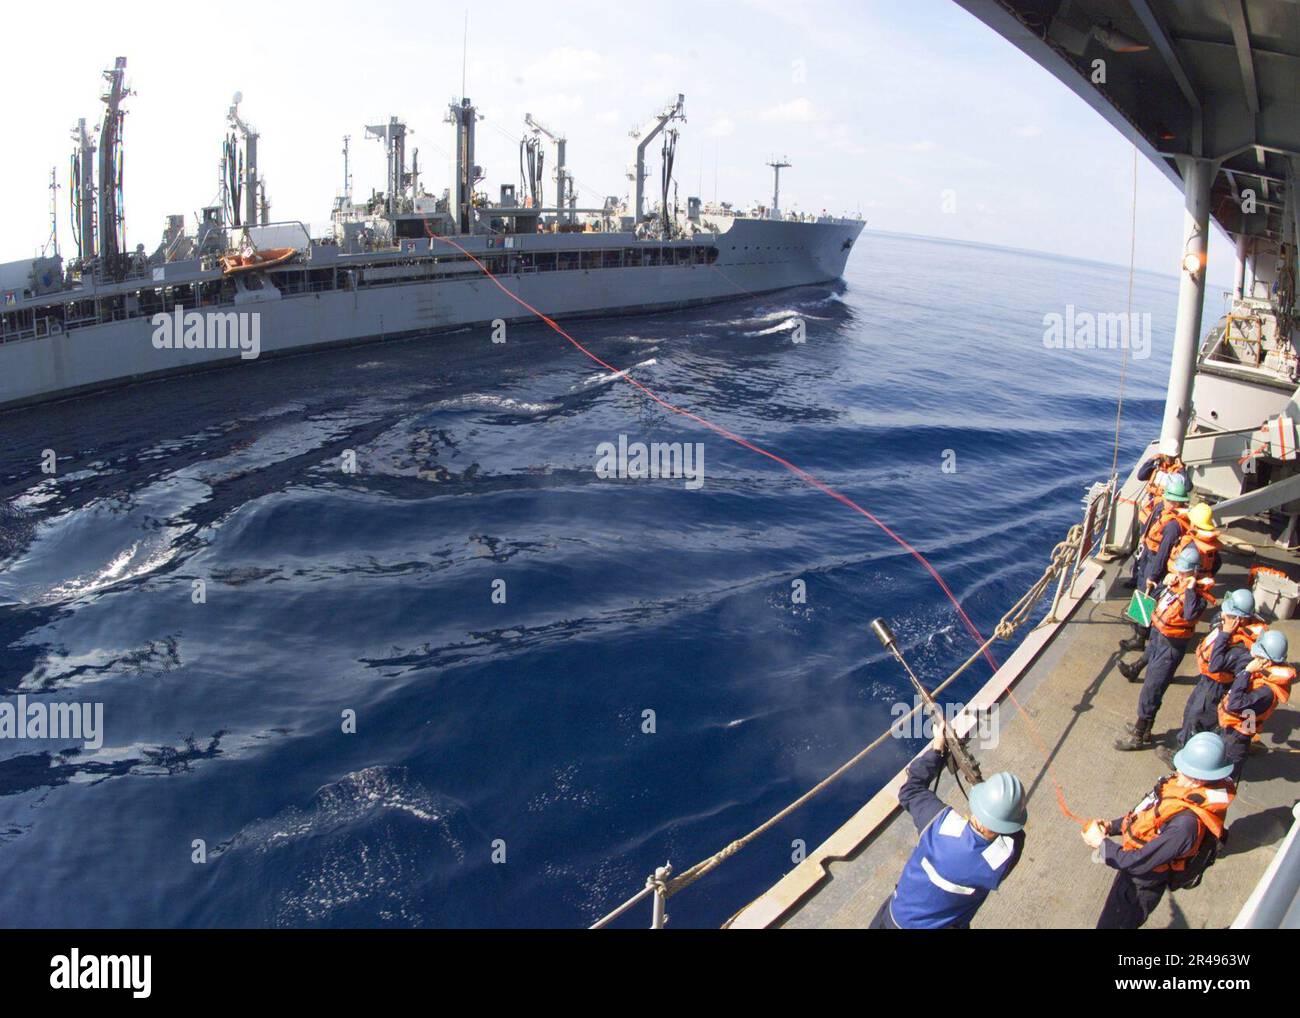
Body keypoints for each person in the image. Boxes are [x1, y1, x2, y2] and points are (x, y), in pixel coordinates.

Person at [869, 728, 1027, 929]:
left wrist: (936, 750)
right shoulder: (1000, 862)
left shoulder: (939, 824)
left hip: (894, 919)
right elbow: (1016, 835)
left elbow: (911, 790)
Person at [1082, 732, 1236, 929]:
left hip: (1141, 885)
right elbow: (1150, 814)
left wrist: (1101, 844)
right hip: (1137, 872)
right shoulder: (1189, 790)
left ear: (1198, 780)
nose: (1177, 772)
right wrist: (1112, 826)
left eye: (1184, 769)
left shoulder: (1185, 827)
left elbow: (1137, 862)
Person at [1116, 546, 1208, 750]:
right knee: (1151, 686)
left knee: (1152, 689)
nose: (1179, 574)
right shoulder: (1175, 585)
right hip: (1159, 638)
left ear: (1193, 572)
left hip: (1171, 646)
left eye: (1183, 572)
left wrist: (1191, 588)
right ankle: (1146, 729)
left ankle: (1139, 735)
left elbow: (1191, 614)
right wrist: (1160, 584)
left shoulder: (1197, 596)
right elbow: (1157, 600)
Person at [1163, 589, 1263, 762]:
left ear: (1239, 619)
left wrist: (1225, 633)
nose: (1224, 615)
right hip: (1206, 682)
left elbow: (1216, 665)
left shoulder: (1242, 648)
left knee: (1197, 719)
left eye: (1229, 614)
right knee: (1190, 713)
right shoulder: (1234, 622)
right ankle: (1184, 746)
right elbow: (1214, 623)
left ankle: (1182, 757)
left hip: (1216, 688)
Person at [1121, 476, 1192, 649]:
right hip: (1148, 556)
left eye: (1168, 499)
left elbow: (1163, 552)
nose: (1164, 501)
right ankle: (1139, 626)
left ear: (1175, 503)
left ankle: (1139, 636)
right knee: (1140, 591)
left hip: (1155, 562)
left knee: (1147, 596)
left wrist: (1153, 574)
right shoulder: (1164, 512)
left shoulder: (1173, 526)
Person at [1216, 629, 1295, 782]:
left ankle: (1243, 748)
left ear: (1266, 661)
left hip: (1237, 735)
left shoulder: (1266, 692)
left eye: (1258, 655)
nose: (1253, 656)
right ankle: (1248, 739)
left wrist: (1246, 673)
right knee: (1248, 727)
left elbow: (1235, 704)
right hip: (1246, 719)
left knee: (1226, 773)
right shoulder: (1266, 672)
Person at [1135, 441, 1187, 531]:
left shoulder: (1178, 471)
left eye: (1172, 457)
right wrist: (1151, 460)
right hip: (1151, 505)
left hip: (1165, 507)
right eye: (1167, 456)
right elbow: (1141, 476)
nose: (1169, 459)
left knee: (1157, 532)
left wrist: (1182, 469)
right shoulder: (1157, 466)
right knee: (1145, 530)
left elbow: (1188, 486)